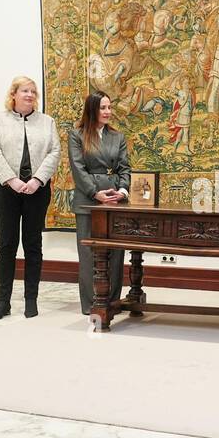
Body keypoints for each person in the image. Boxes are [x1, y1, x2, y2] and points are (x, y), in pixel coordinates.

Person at [0, 76, 60, 320]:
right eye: (24, 91)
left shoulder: (47, 122)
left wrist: (37, 180)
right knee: (6, 244)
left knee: (32, 244)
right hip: (6, 189)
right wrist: (11, 180)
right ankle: (3, 302)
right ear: (13, 94)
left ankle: (31, 300)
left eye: (33, 91)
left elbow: (54, 152)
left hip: (37, 191)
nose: (29, 95)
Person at [68, 91, 130, 314]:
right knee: (89, 254)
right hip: (88, 201)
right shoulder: (77, 135)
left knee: (115, 253)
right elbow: (78, 169)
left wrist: (122, 192)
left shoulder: (118, 137)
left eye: (109, 107)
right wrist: (96, 193)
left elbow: (125, 168)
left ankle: (112, 301)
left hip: (115, 201)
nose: (107, 112)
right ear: (92, 109)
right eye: (103, 108)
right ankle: (91, 304)